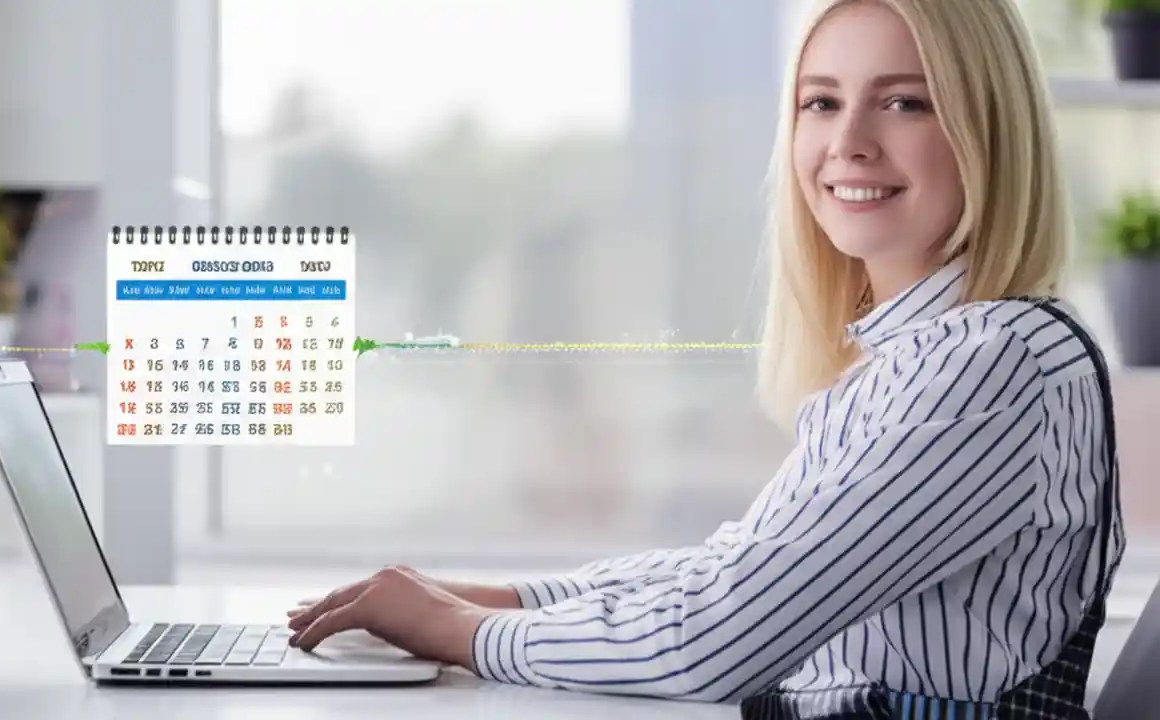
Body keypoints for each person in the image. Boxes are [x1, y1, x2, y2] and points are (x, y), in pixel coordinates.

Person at [285, 0, 1127, 716]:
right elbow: (737, 566)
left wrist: (458, 632)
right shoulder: (921, 357)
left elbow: (713, 640)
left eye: (905, 102)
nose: (849, 141)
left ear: (990, 129)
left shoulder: (991, 364)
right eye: (821, 102)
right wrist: (506, 599)